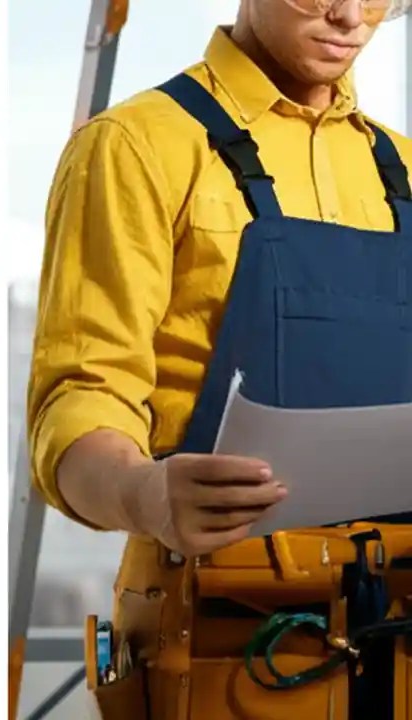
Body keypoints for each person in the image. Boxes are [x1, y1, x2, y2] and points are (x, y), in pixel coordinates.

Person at [28, 0, 412, 716]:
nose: (347, 15)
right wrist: (143, 494)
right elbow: (79, 397)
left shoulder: (406, 168)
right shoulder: (137, 145)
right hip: (216, 626)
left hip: (396, 620)